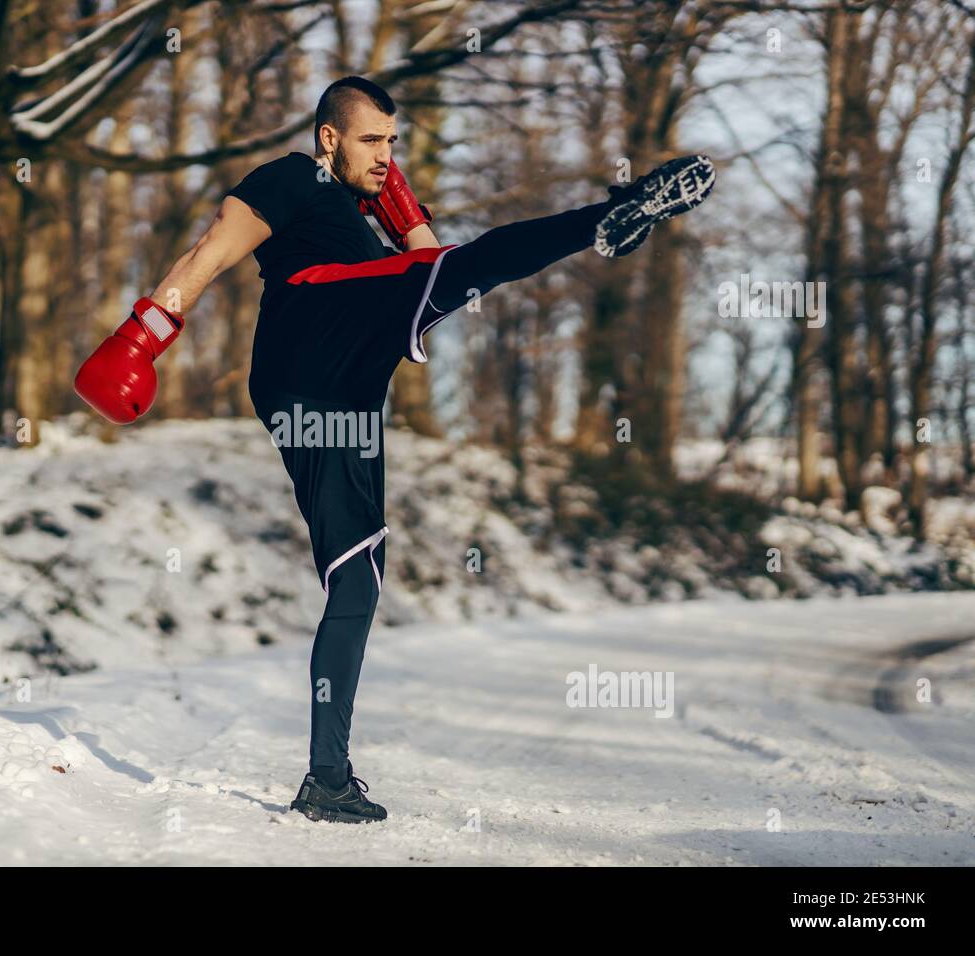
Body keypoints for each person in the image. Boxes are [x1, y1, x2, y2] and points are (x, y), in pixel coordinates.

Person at [75, 75, 715, 824]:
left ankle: (328, 778)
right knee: (469, 265)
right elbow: (212, 251)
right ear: (328, 138)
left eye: (393, 143)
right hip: (318, 320)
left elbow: (433, 265)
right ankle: (609, 216)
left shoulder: (364, 214)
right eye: (372, 140)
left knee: (358, 578)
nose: (387, 155)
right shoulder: (289, 178)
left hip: (337, 392)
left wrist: (397, 204)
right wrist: (144, 334)